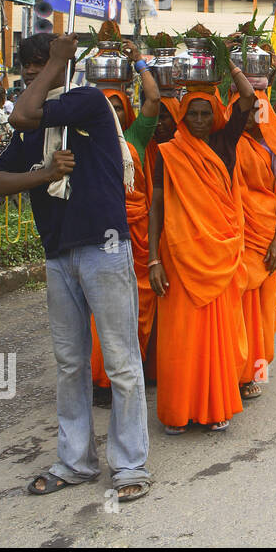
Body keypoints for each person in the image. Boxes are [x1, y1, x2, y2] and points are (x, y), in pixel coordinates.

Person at [0, 32, 150, 503]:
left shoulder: (88, 102)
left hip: (104, 246)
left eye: (41, 65)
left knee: (120, 361)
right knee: (70, 363)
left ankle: (130, 465)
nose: (33, 75)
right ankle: (75, 462)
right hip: (58, 253)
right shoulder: (32, 127)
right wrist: (46, 174)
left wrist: (61, 62)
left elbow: (23, 111)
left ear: (63, 63)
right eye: (29, 68)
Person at [149, 68, 255, 434]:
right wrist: (153, 259)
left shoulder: (224, 144)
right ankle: (178, 409)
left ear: (215, 115)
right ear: (182, 115)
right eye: (192, 113)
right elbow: (157, 205)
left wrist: (234, 68)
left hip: (220, 255)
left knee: (217, 335)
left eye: (205, 112)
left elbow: (248, 100)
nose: (198, 120)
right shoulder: (168, 152)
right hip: (178, 256)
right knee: (180, 337)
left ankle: (215, 405)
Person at [91, 45, 162, 398]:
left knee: (141, 305)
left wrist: (138, 61)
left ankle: (129, 372)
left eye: (117, 105)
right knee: (102, 309)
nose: (113, 111)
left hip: (137, 236)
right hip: (102, 236)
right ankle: (102, 381)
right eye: (105, 106)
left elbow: (153, 97)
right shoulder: (83, 141)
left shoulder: (134, 137)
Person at [232, 80, 276, 400]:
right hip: (236, 235)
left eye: (260, 108)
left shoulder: (272, 144)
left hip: (265, 234)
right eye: (249, 107)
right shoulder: (230, 142)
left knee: (263, 310)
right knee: (238, 309)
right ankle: (233, 371)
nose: (255, 113)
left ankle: (253, 371)